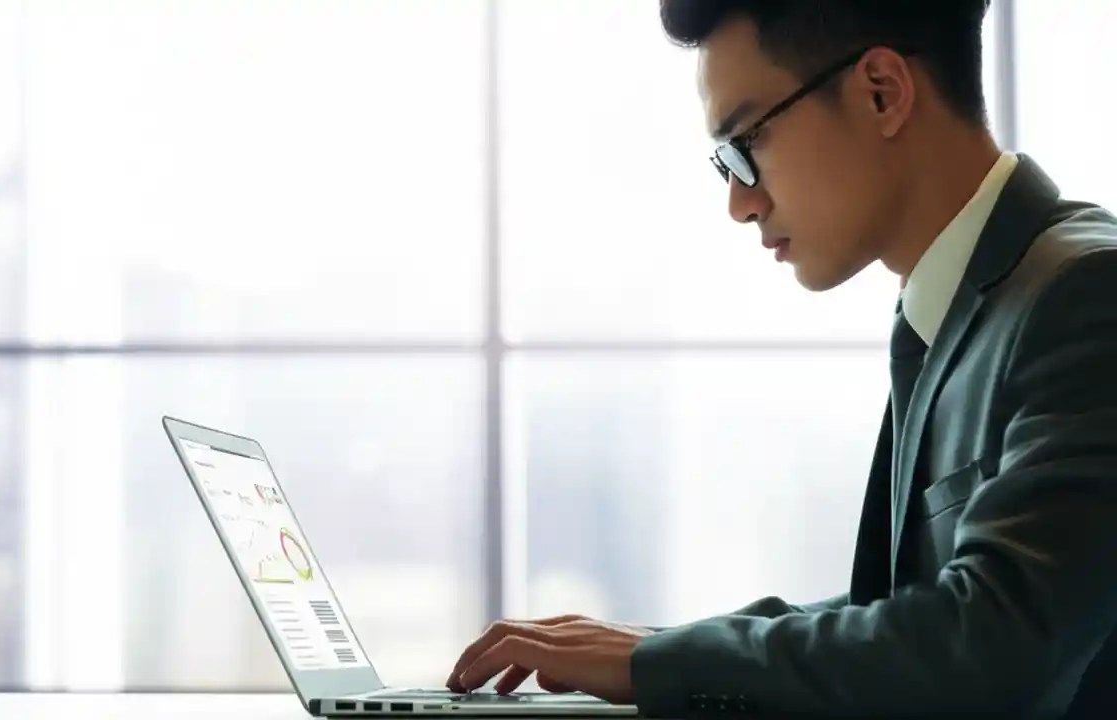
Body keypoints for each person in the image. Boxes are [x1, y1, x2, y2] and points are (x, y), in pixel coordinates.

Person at [444, 0, 1117, 714]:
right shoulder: (970, 306)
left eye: (745, 142)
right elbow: (900, 615)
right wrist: (650, 649)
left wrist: (655, 661)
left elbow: (989, 643)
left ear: (882, 92)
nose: (740, 201)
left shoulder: (1085, 293)